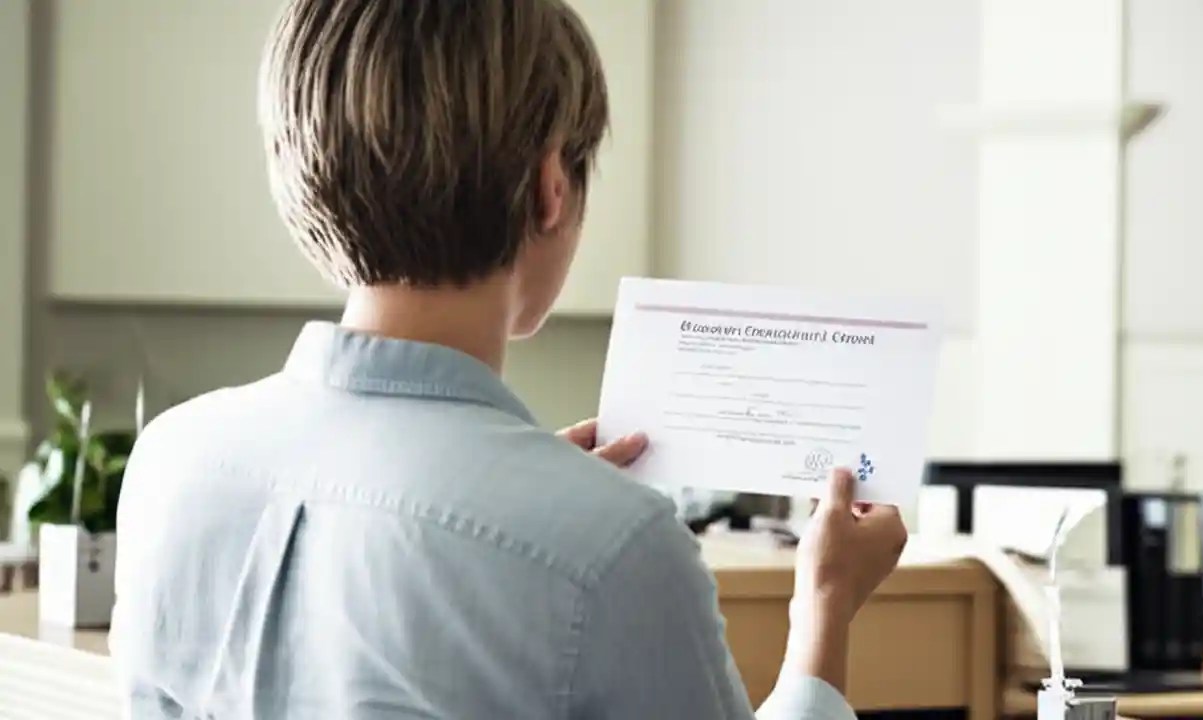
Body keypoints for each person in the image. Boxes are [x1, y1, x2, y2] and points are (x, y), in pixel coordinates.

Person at [110, 1, 908, 717]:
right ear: (552, 184)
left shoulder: (171, 463)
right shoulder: (614, 544)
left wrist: (543, 510)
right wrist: (825, 608)